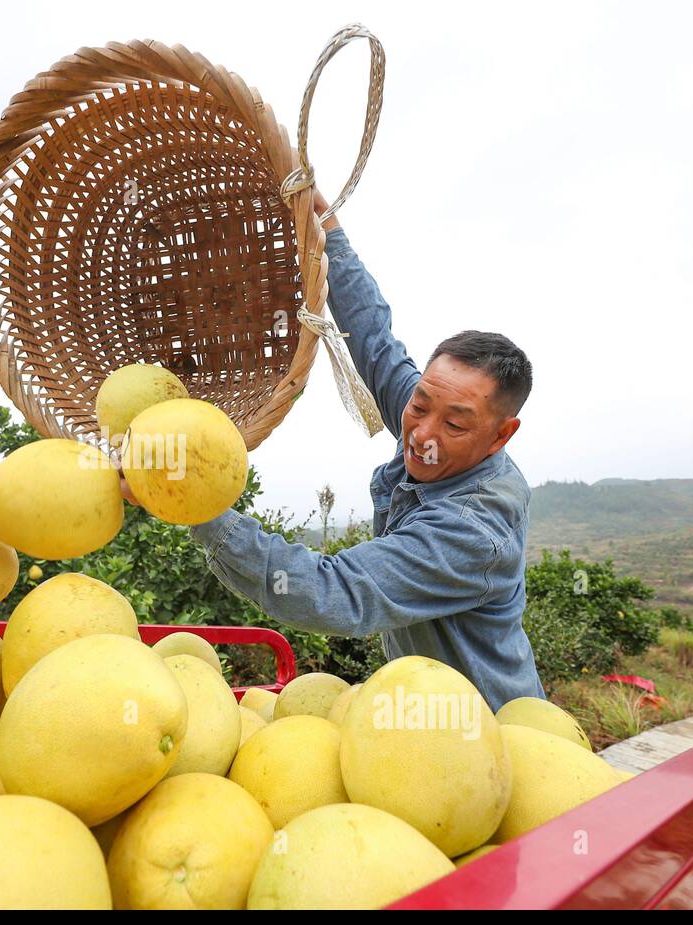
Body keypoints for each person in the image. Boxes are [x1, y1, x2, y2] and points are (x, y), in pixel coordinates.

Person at [121, 190, 545, 711]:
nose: (421, 434)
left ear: (501, 435)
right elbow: (373, 339)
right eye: (419, 405)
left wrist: (193, 501)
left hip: (487, 734)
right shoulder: (432, 418)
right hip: (417, 717)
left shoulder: (474, 531)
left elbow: (335, 591)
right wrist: (330, 235)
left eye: (454, 424)